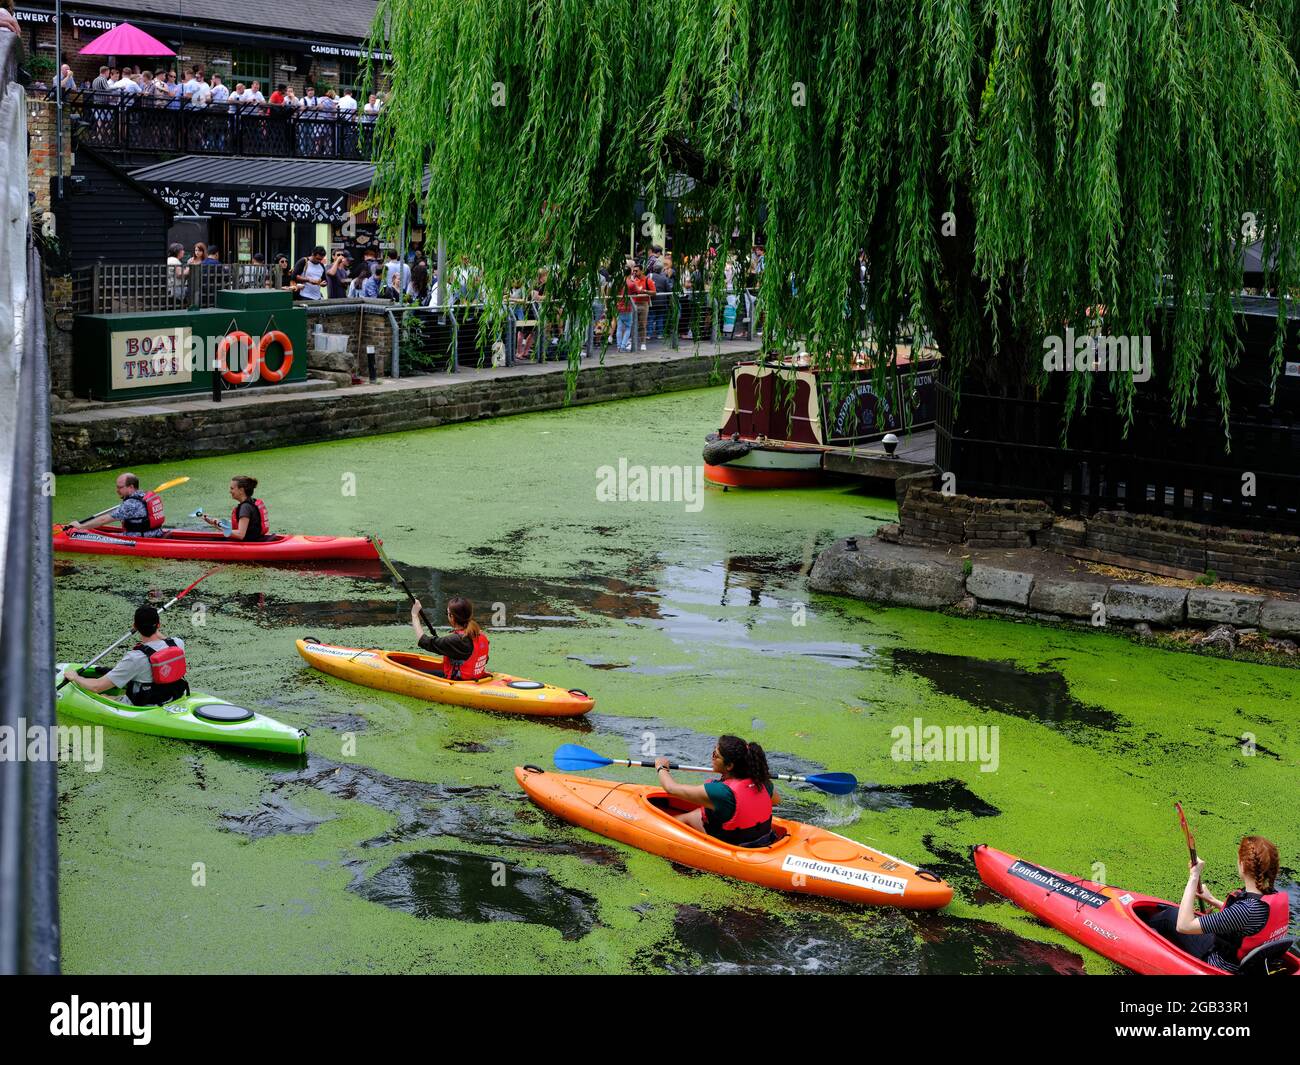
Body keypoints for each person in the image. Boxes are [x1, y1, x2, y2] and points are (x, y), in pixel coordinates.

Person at [1145, 836, 1293, 974]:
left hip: (1221, 964)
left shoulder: (1246, 910)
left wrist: (1193, 876)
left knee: (1170, 916)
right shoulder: (1273, 897)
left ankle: (1145, 929)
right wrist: (1212, 900)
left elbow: (1183, 926)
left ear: (1242, 865)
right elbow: (1250, 922)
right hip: (1253, 965)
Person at [653, 735, 777, 846]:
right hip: (763, 838)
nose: (712, 757)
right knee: (698, 814)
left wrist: (661, 767)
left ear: (729, 766)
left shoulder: (721, 792)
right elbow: (776, 800)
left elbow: (671, 788)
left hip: (734, 844)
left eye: (716, 755)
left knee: (687, 818)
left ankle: (658, 834)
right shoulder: (762, 782)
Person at [60, 605, 188, 707]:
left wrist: (75, 677)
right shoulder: (177, 644)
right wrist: (153, 625)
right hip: (174, 696)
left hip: (146, 705)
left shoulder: (135, 658)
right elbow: (164, 640)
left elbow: (97, 687)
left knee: (103, 697)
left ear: (135, 626)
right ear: (159, 625)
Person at [409, 597, 490, 680]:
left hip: (459, 682)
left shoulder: (457, 640)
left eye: (447, 613)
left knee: (411, 672)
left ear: (452, 616)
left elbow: (423, 641)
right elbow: (484, 660)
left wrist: (414, 615)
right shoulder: (479, 634)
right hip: (476, 678)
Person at [65, 473, 167, 537]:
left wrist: (81, 527)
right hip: (155, 533)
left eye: (120, 487)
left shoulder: (131, 504)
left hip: (140, 539)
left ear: (131, 487)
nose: (117, 490)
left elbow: (103, 520)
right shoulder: (144, 495)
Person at [201, 476, 269, 542]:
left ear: (241, 490)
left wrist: (219, 525)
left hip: (248, 545)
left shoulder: (245, 508)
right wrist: (215, 524)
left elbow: (240, 535)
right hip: (253, 541)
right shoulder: (251, 502)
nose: (230, 491)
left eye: (232, 488)